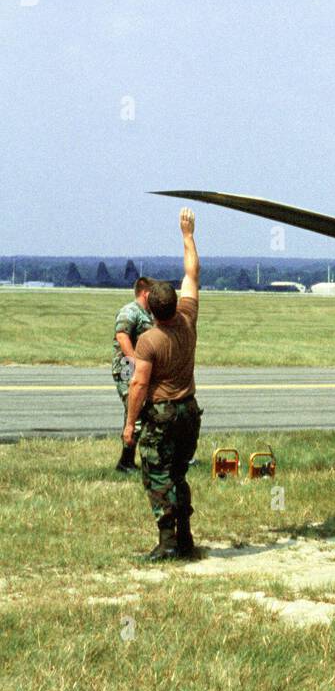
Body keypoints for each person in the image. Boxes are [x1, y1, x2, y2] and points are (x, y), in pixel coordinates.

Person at [124, 208, 202, 560]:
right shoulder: (188, 319)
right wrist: (187, 235)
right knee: (180, 474)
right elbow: (192, 273)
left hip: (164, 415)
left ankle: (168, 540)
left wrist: (129, 424)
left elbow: (139, 385)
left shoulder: (150, 341)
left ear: (151, 312)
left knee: (158, 476)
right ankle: (185, 538)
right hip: (189, 412)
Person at [112, 277, 154, 474]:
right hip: (127, 367)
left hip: (139, 367)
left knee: (136, 411)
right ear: (145, 293)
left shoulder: (148, 314)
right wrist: (135, 361)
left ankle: (129, 461)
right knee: (135, 412)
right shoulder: (130, 311)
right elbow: (122, 336)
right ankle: (126, 462)